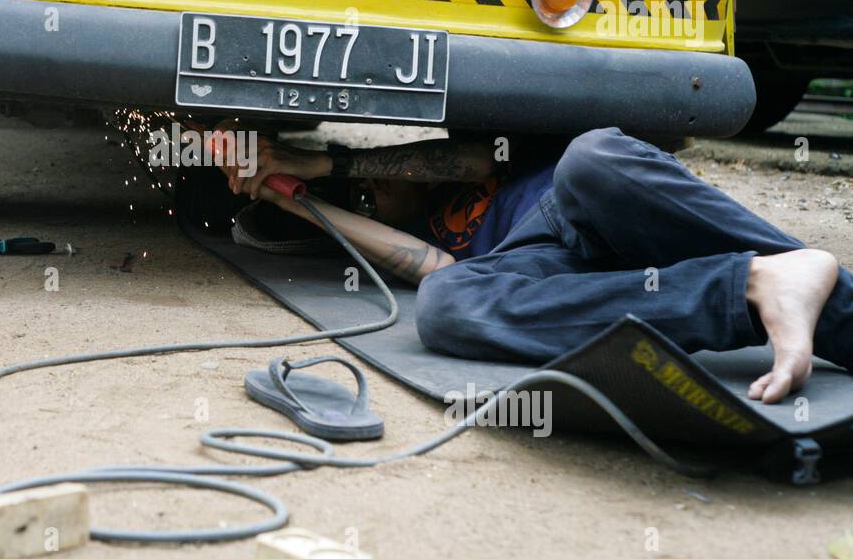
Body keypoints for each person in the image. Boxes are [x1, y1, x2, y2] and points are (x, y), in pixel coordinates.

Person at [217, 126, 852, 405]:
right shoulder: (411, 230)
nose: (373, 194)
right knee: (443, 306)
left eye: (373, 184)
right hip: (541, 262)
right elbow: (434, 270)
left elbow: (470, 163)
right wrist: (296, 202)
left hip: (578, 201)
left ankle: (802, 278)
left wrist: (325, 164)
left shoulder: (469, 156)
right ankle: (753, 285)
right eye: (363, 203)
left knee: (591, 157)